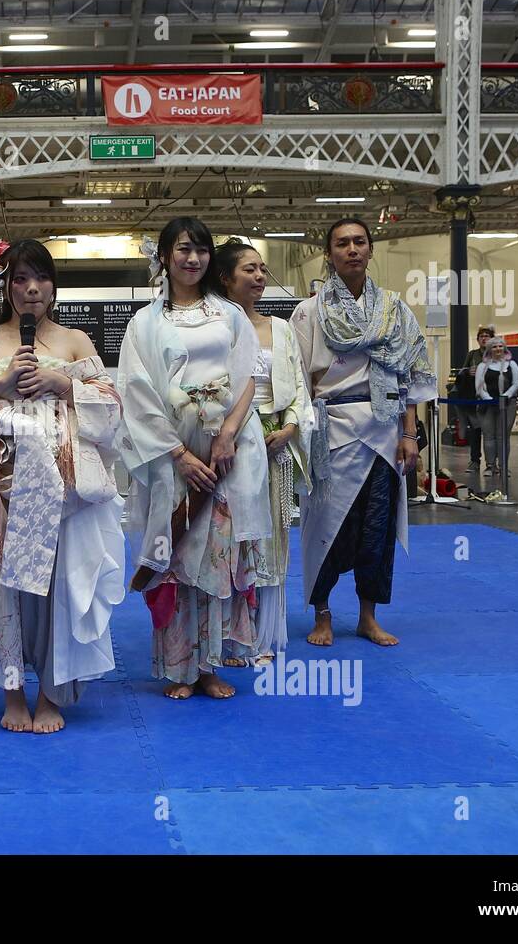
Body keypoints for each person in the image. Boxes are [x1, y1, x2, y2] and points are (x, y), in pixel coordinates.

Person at [0, 237, 124, 732]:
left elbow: (111, 410)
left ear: (54, 285)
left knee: (57, 585)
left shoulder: (75, 340)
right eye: (20, 279)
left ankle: (51, 693)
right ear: (5, 286)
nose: (32, 289)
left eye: (41, 278)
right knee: (3, 590)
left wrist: (62, 384)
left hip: (62, 489)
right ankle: (12, 693)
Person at [118, 217, 271, 700]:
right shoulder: (145, 323)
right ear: (164, 256)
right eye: (183, 249)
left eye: (202, 249)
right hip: (171, 454)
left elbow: (248, 379)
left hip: (226, 452)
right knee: (178, 555)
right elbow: (137, 393)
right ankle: (179, 667)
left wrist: (227, 435)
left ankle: (210, 665)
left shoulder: (229, 315)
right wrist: (179, 454)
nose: (193, 258)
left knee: (218, 557)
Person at [290, 217, 437, 647]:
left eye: (359, 242)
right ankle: (322, 614)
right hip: (330, 427)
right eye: (342, 243)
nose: (352, 249)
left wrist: (409, 434)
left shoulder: (394, 309)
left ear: (370, 250)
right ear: (329, 253)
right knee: (325, 526)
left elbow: (410, 374)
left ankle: (367, 617)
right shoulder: (309, 311)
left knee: (377, 528)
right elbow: (298, 379)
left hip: (384, 428)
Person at [214, 241, 312, 666]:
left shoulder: (282, 328)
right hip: (228, 445)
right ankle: (225, 637)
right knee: (230, 540)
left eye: (262, 269)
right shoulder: (214, 327)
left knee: (270, 541)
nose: (259, 276)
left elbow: (299, 388)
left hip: (274, 445)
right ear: (225, 278)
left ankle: (262, 636)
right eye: (249, 269)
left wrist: (290, 427)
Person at [474, 336, 518, 480]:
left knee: (503, 436)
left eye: (500, 346)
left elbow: (516, 383)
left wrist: (506, 396)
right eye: (494, 346)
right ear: (490, 349)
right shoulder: (482, 366)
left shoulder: (512, 365)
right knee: (488, 436)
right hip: (487, 406)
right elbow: (479, 386)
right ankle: (490, 465)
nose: (498, 349)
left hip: (507, 405)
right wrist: (488, 399)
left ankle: (503, 466)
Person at [454, 324, 494, 472]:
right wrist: (468, 371)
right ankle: (475, 460)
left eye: (487, 336)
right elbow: (462, 371)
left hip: (491, 396)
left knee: (491, 432)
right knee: (476, 430)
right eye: (481, 336)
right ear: (477, 340)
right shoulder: (472, 354)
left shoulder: (496, 353)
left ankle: (493, 463)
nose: (484, 339)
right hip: (474, 396)